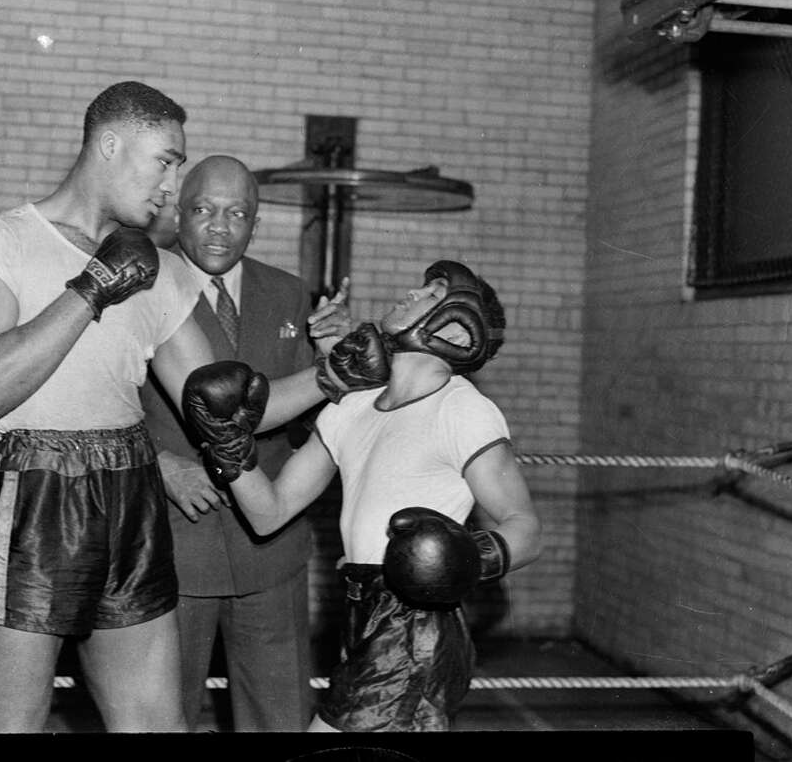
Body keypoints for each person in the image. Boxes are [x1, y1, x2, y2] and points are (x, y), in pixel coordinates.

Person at [0, 81, 367, 733]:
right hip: (40, 489)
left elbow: (231, 405)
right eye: (165, 160)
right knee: (3, 726)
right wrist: (91, 288)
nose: (173, 184)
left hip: (132, 489)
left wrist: (339, 373)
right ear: (110, 144)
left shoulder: (158, 271)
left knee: (157, 724)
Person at [181, 260, 543, 732]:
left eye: (431, 293)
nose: (411, 293)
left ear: (457, 327)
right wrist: (227, 444)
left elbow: (526, 529)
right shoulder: (351, 407)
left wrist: (462, 556)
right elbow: (270, 512)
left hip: (415, 626)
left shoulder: (463, 409)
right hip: (360, 616)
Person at [138, 154, 350, 731]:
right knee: (161, 717)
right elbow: (100, 405)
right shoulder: (142, 286)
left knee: (279, 716)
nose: (219, 226)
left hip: (271, 549)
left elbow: (313, 422)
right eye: (204, 209)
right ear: (177, 215)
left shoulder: (289, 294)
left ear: (255, 224)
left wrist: (334, 354)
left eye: (237, 213)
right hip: (172, 545)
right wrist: (160, 466)